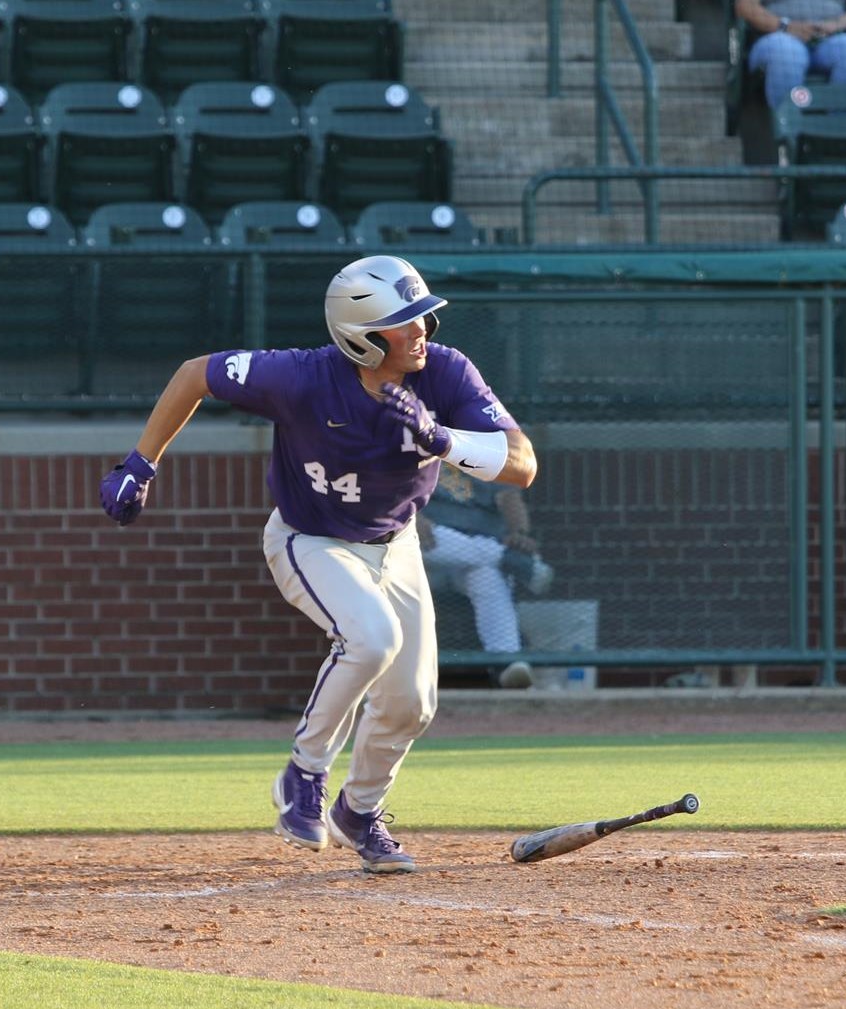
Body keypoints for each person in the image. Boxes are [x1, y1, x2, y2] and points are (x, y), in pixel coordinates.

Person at [99, 255, 537, 874]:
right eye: (403, 321)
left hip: (397, 542)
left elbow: (522, 462)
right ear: (360, 335)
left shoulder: (443, 373)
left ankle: (359, 812)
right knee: (371, 638)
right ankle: (302, 776)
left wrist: (445, 440)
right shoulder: (300, 376)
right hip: (312, 539)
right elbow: (194, 374)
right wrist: (141, 462)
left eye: (422, 317)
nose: (422, 331)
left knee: (413, 703)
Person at [419, 468, 555, 690]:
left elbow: (509, 498)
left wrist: (520, 534)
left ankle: (507, 663)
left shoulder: (485, 446)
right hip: (429, 555)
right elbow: (395, 490)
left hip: (472, 563)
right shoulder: (421, 443)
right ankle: (504, 556)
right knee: (410, 537)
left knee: (487, 576)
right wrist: (411, 514)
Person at [737, 0, 846, 110]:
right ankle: (790, 135)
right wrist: (786, 26)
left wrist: (836, 24)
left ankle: (840, 133)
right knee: (788, 54)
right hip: (777, 36)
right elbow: (745, 7)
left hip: (829, 37)